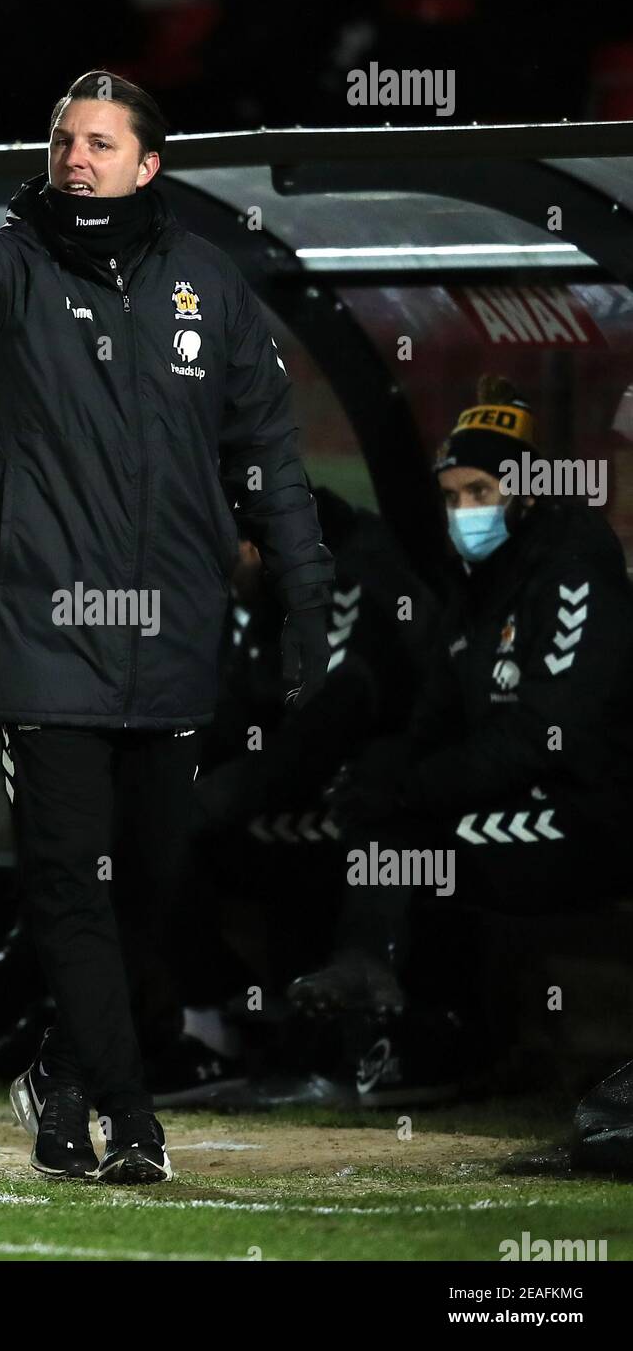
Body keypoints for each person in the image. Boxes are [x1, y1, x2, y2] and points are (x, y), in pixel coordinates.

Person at [0, 70, 334, 1182]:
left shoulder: (209, 289)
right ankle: (134, 1121)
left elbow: (270, 460)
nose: (76, 156)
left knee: (149, 888)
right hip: (42, 647)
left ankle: (61, 1077)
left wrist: (304, 598)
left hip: (169, 650)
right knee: (70, 888)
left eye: (100, 143)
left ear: (148, 164)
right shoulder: (10, 271)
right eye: (64, 138)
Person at [287, 375, 633, 1104]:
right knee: (373, 814)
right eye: (452, 496)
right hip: (512, 802)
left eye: (480, 491)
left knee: (415, 836)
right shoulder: (476, 585)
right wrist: (386, 776)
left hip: (587, 816)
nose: (463, 512)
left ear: (527, 491)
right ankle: (390, 1023)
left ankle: (397, 1001)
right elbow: (433, 726)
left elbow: (545, 735)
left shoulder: (574, 568)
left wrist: (413, 787)